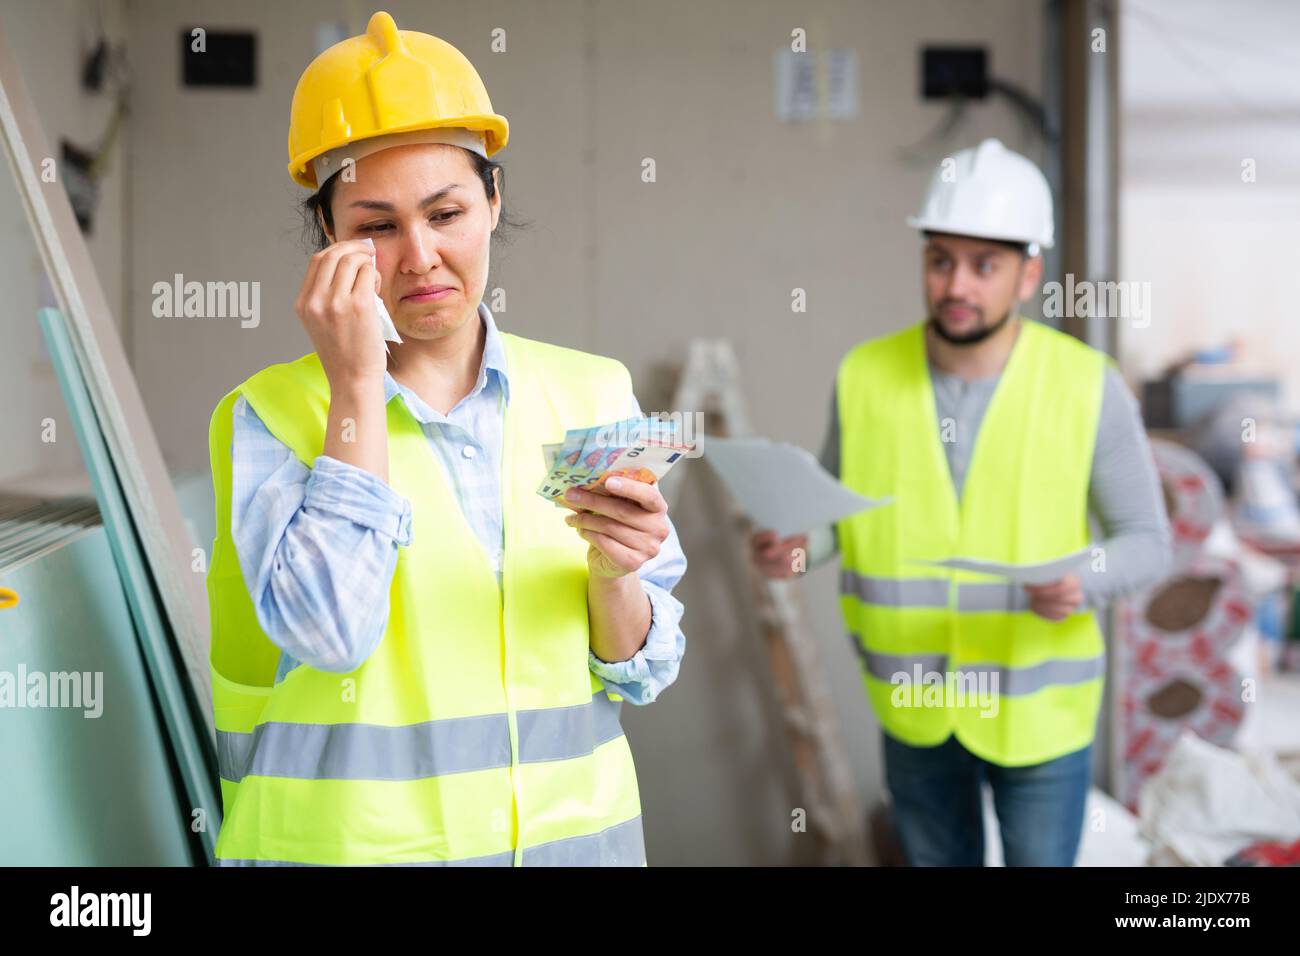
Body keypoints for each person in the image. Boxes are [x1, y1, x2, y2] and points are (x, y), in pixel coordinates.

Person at [205, 11, 686, 866]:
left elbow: (640, 671)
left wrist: (616, 577)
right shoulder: (273, 415)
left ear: (494, 203)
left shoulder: (592, 392)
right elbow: (329, 636)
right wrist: (357, 383)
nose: (420, 256)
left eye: (446, 211)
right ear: (329, 235)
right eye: (377, 225)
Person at [751, 139, 1171, 866]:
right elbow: (839, 513)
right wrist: (798, 547)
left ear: (1028, 273)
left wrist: (1083, 582)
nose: (957, 285)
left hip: (1037, 713)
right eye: (941, 259)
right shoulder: (866, 374)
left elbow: (1146, 540)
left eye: (985, 265)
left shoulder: (1086, 384)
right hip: (915, 705)